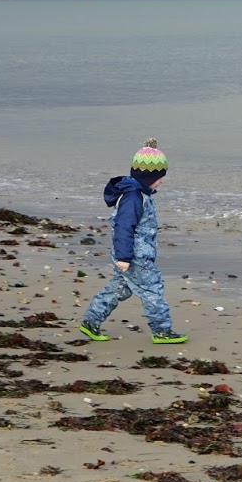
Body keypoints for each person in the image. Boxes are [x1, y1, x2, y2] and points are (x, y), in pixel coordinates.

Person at [78, 139, 188, 344]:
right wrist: (124, 257)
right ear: (148, 178)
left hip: (134, 253)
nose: (161, 181)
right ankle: (162, 330)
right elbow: (124, 227)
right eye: (159, 177)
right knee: (152, 289)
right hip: (134, 256)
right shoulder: (133, 198)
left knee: (119, 288)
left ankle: (91, 321)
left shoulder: (141, 194)